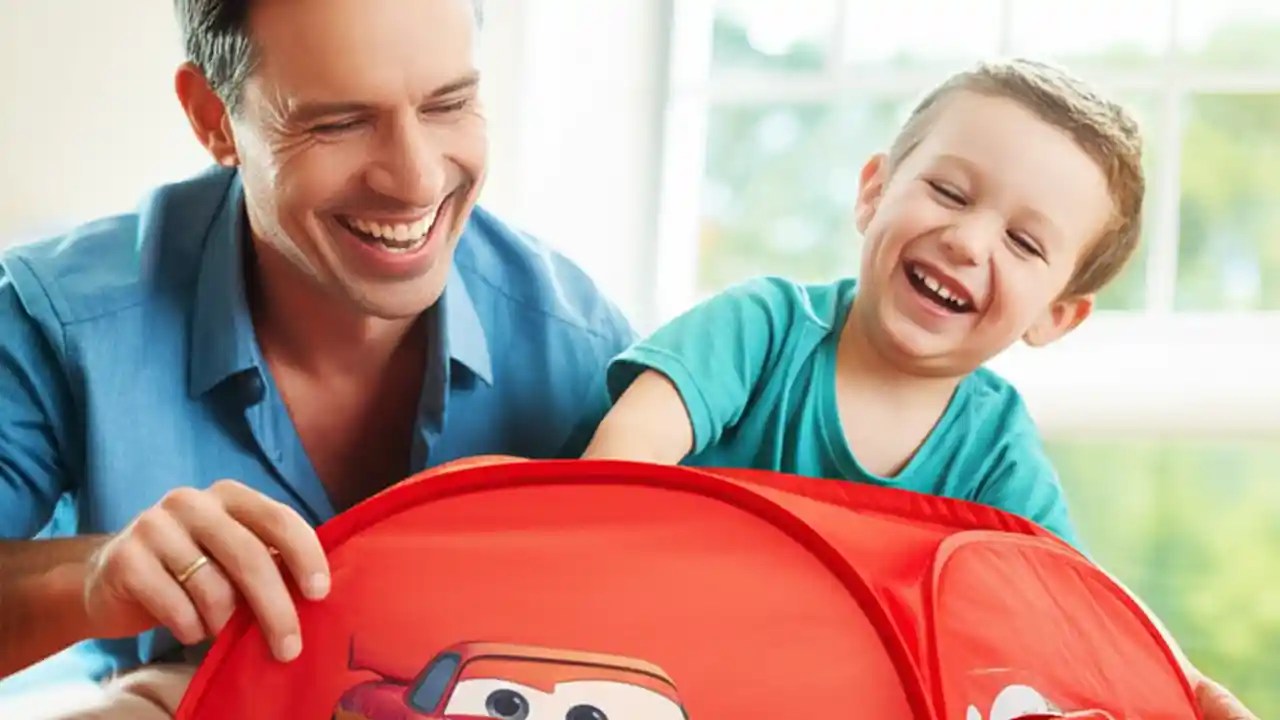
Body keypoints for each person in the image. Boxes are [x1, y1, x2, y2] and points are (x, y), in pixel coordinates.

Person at [0, 0, 632, 714]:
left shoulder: (584, 351)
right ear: (213, 118)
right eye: (340, 123)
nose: (417, 181)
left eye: (448, 104)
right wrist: (89, 581)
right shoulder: (59, 320)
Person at [583, 59, 1257, 719]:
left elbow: (1074, 607)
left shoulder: (995, 444)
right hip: (648, 665)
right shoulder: (761, 327)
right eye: (950, 193)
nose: (967, 240)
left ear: (1057, 315)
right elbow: (616, 469)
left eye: (1023, 242)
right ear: (874, 192)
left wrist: (1190, 691)